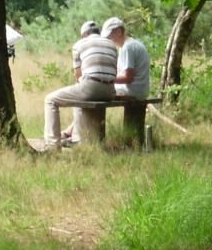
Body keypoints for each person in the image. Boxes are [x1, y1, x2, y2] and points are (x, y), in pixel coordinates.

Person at [44, 20, 117, 151]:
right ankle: (77, 139)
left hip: (91, 87)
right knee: (78, 98)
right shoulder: (111, 44)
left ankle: (53, 144)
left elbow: (78, 75)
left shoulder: (79, 44)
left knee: (50, 100)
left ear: (84, 35)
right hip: (110, 91)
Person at [102, 16, 151, 100]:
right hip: (140, 91)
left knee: (97, 92)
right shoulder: (127, 46)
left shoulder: (127, 47)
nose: (108, 40)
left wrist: (107, 80)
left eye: (109, 36)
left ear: (119, 32)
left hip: (133, 91)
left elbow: (127, 78)